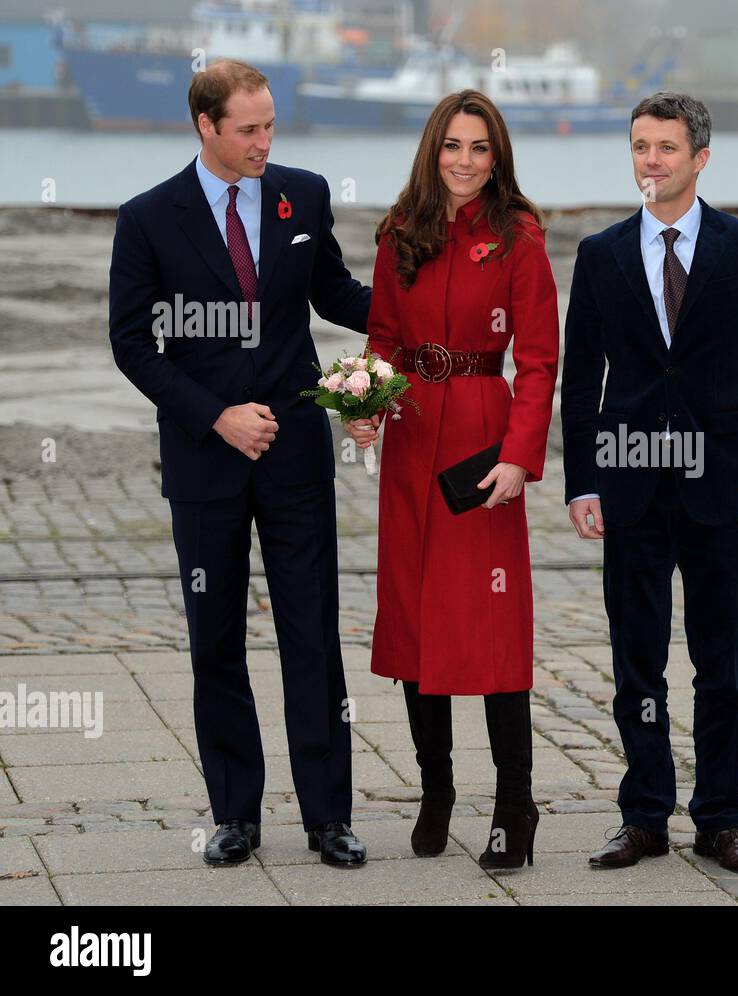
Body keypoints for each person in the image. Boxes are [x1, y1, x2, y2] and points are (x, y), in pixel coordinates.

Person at [109, 59, 372, 867]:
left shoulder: (304, 191)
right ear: (206, 126)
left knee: (312, 634)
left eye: (270, 126)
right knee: (214, 638)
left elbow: (334, 293)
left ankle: (329, 817)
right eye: (248, 129)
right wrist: (214, 416)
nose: (264, 142)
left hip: (296, 452)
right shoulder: (148, 217)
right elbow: (131, 344)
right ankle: (235, 816)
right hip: (204, 460)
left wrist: (427, 307)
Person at [561, 92, 738, 877]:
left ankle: (721, 820)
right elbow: (580, 378)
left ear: (700, 157)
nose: (650, 161)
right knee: (637, 661)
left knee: (720, 662)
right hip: (628, 484)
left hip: (722, 487)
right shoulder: (601, 253)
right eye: (639, 147)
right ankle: (645, 816)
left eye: (665, 147)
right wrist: (580, 482)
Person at [346, 90, 559, 870]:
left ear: (497, 157)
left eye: (480, 148)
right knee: (414, 622)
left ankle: (516, 803)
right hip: (409, 438)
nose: (465, 161)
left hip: (481, 439)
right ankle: (436, 791)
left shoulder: (519, 237)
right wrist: (365, 405)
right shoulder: (400, 230)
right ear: (432, 150)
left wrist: (518, 455)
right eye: (453, 146)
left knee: (492, 628)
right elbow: (383, 337)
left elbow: (538, 360)